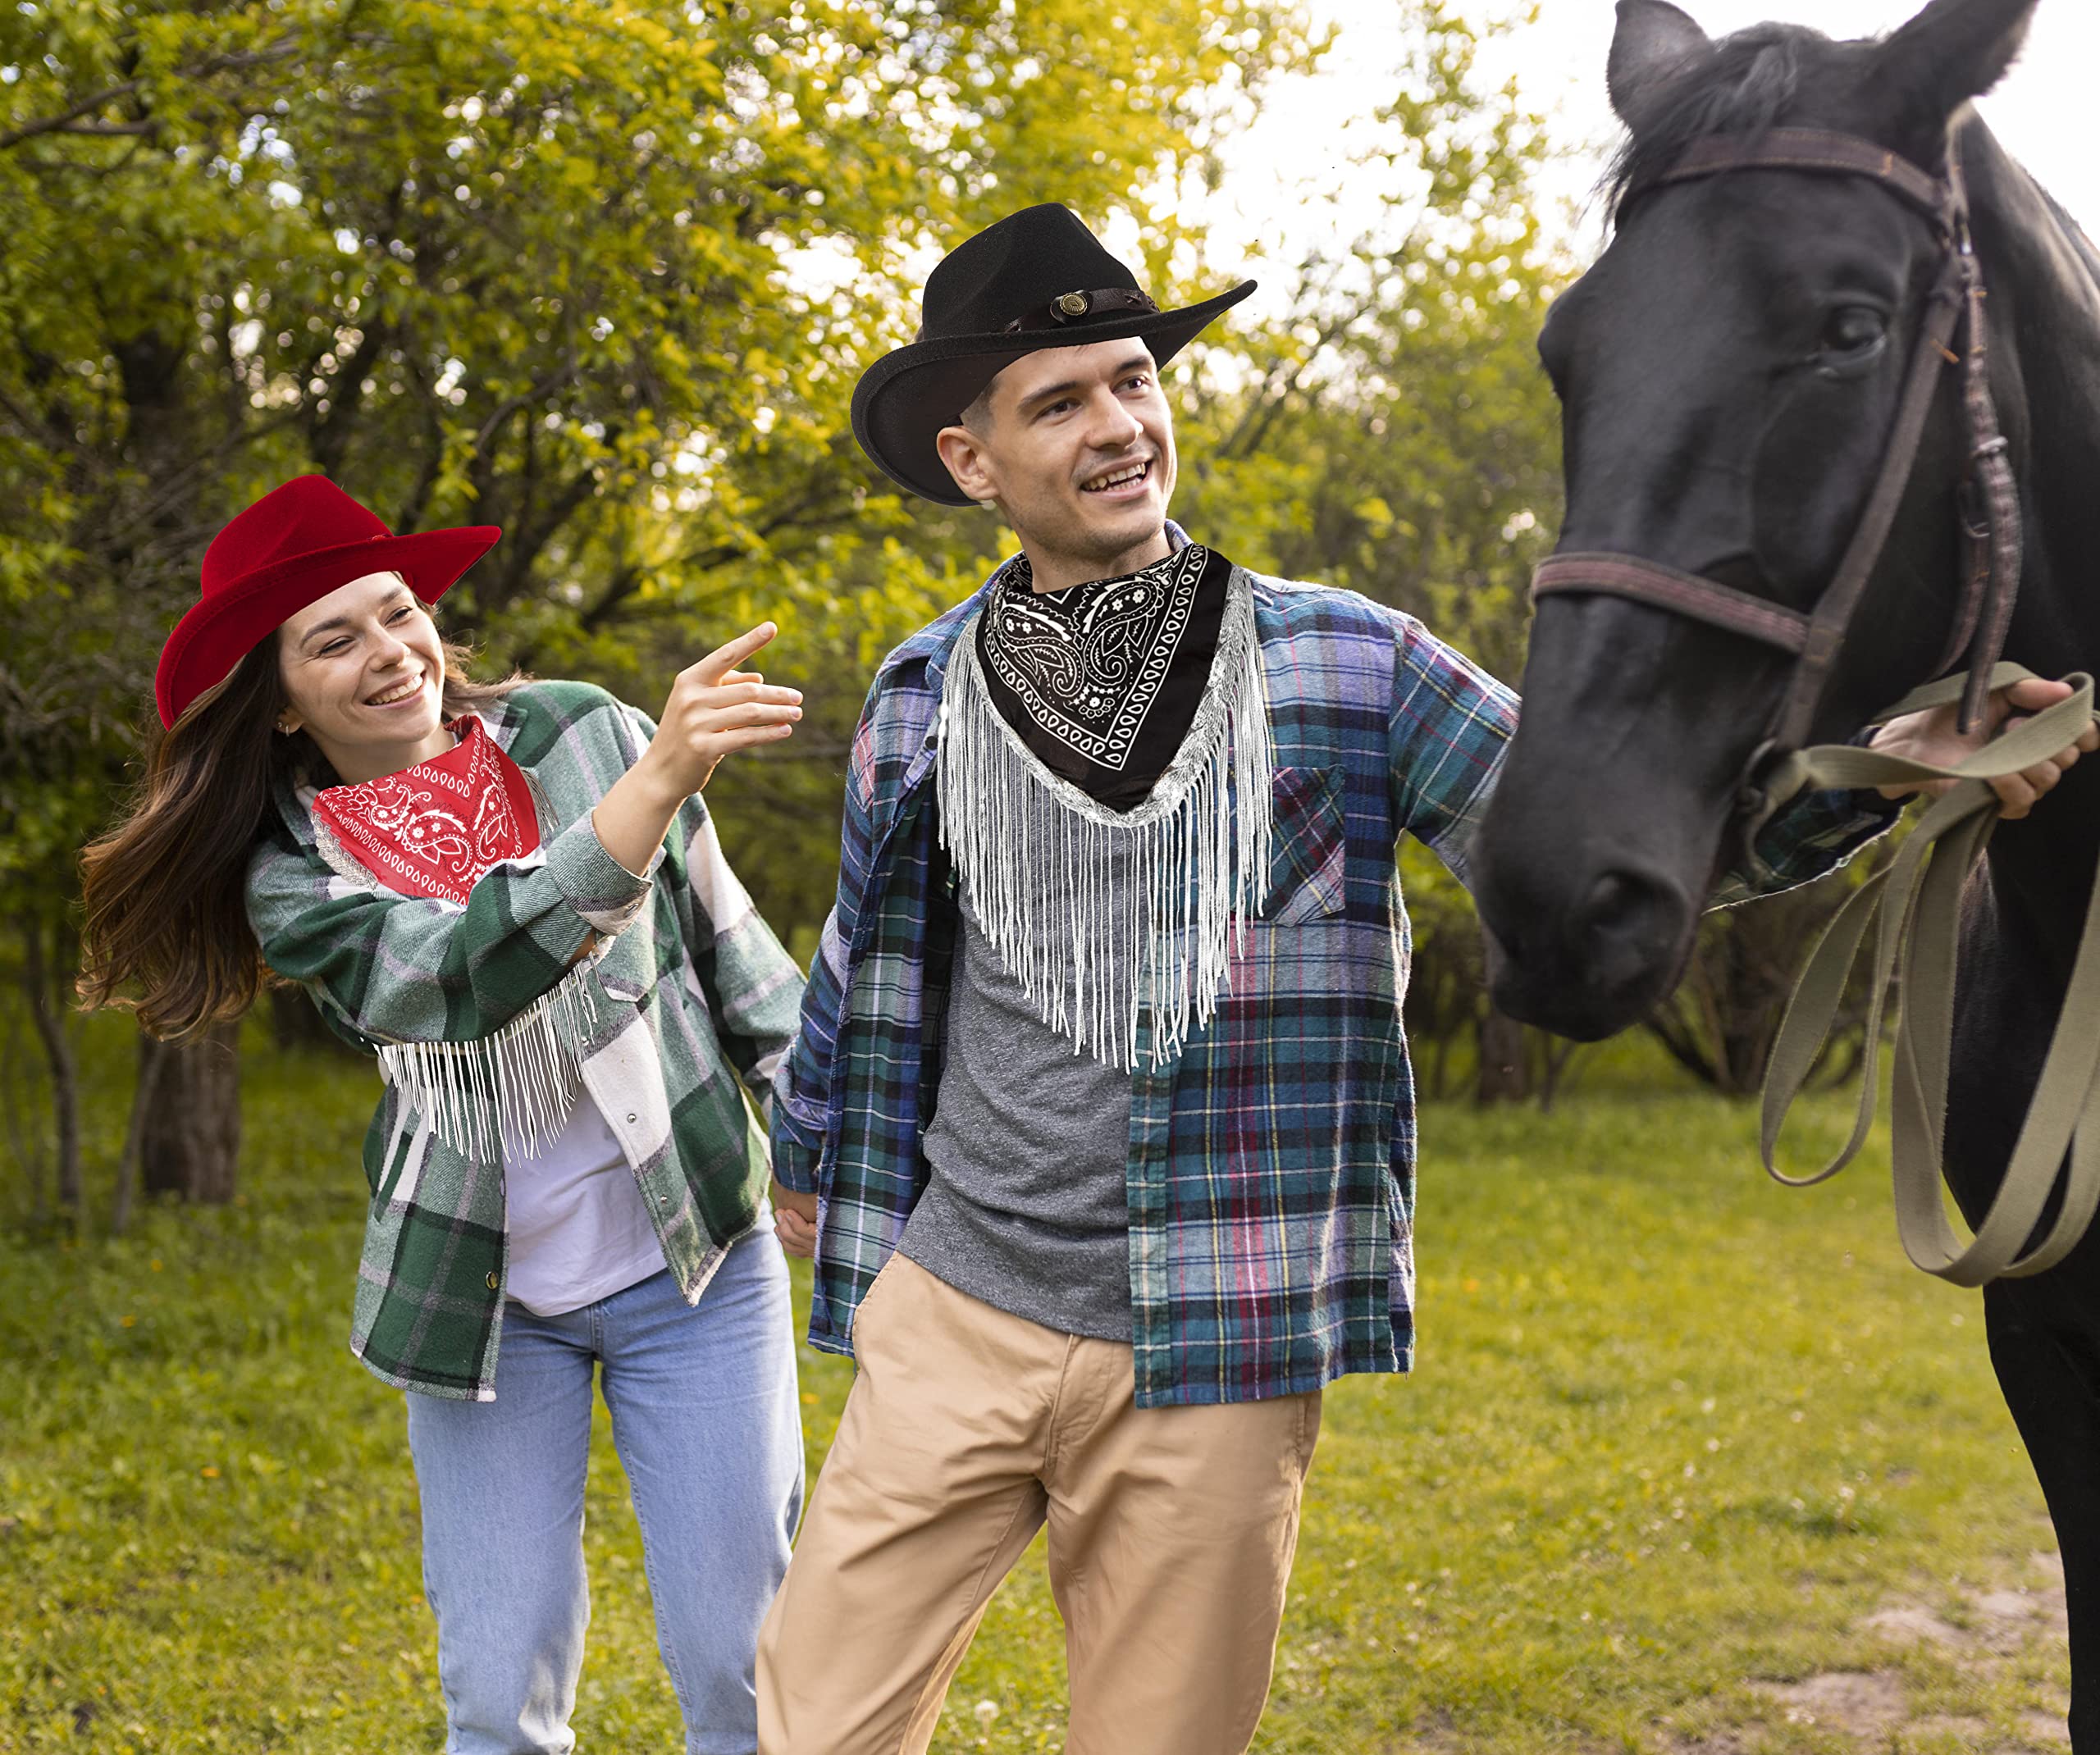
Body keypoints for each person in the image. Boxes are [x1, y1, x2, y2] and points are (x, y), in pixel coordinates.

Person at [754, 203, 2098, 1755]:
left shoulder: (1349, 660)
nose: (1121, 425)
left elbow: (1592, 839)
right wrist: (808, 1159)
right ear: (972, 460)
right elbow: (867, 958)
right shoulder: (919, 691)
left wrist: (1883, 773)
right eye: (1061, 402)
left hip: (1221, 1336)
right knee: (816, 1725)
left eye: (1134, 380)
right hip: (957, 1309)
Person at [78, 474, 810, 1755]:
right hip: (481, 1303)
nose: (388, 654)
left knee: (745, 1669)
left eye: (398, 612)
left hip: (694, 1260)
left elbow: (730, 951)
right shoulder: (293, 878)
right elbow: (458, 973)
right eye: (333, 639)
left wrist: (818, 1144)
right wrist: (649, 791)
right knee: (495, 1698)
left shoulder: (585, 734)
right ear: (282, 706)